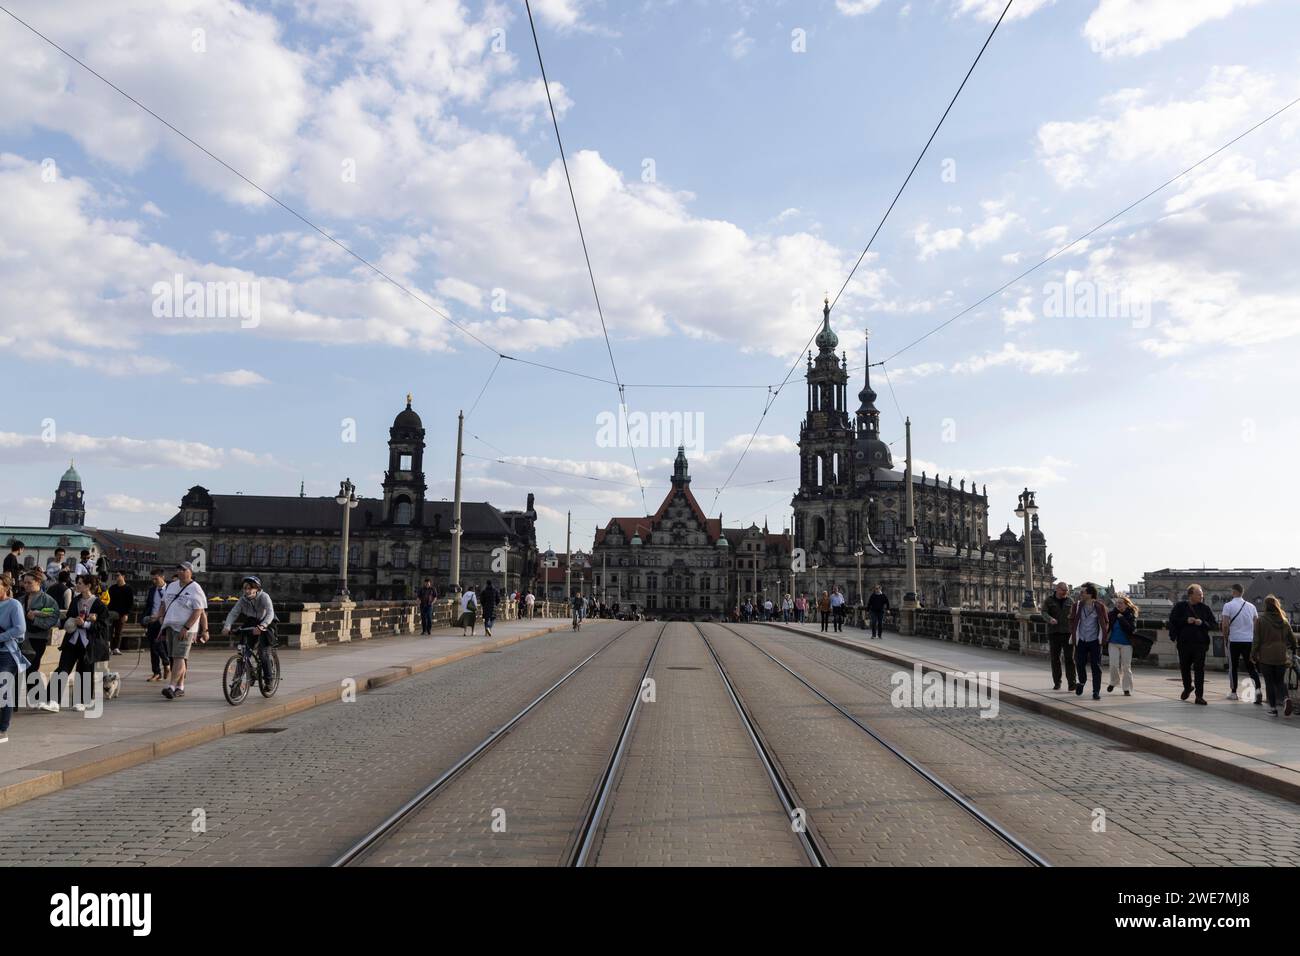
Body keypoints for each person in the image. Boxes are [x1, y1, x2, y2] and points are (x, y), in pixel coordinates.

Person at [51, 575, 109, 712]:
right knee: (62, 669)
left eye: (80, 583)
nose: (77, 585)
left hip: (88, 643)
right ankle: (53, 700)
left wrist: (86, 624)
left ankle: (83, 700)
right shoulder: (76, 601)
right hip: (72, 641)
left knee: (85, 671)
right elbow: (69, 617)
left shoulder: (99, 605)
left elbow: (103, 626)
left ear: (88, 586)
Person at [159, 561, 208, 700]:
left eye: (184, 570)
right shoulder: (172, 586)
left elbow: (199, 610)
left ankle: (172, 686)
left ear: (190, 572)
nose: (180, 571)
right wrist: (160, 615)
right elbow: (164, 602)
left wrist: (187, 627)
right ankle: (180, 687)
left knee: (180, 657)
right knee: (175, 657)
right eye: (179, 569)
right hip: (170, 626)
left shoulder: (195, 589)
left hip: (186, 629)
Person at [1169, 583, 1216, 705]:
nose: (1201, 596)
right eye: (1199, 594)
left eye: (1202, 594)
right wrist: (1185, 620)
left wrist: (1202, 623)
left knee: (1199, 669)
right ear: (1190, 595)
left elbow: (1213, 624)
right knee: (1184, 667)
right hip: (1184, 643)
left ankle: (1199, 696)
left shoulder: (1205, 608)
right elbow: (1173, 621)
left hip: (1200, 643)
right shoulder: (1180, 607)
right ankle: (1187, 687)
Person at [222, 576, 276, 682]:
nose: (247, 591)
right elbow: (233, 613)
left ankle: (269, 680)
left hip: (266, 623)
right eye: (245, 588)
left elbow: (270, 613)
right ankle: (239, 679)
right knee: (244, 651)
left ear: (257, 589)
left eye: (250, 588)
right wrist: (227, 626)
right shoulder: (243, 600)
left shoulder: (264, 597)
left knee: (263, 653)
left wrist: (263, 626)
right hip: (251, 622)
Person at [1251, 595, 1296, 717]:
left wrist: (1253, 654)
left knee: (1269, 682)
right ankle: (1286, 699)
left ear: (1266, 606)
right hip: (1281, 655)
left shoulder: (1261, 620)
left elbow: (1256, 640)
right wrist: (1293, 649)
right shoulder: (1284, 620)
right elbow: (1292, 639)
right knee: (1280, 681)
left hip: (1266, 656)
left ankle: (1273, 708)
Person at [20, 571, 58, 698]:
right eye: (24, 582)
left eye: (29, 582)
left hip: (38, 638)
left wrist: (35, 618)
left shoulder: (47, 600)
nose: (26, 585)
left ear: (38, 582)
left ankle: (38, 696)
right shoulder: (21, 598)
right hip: (22, 638)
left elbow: (53, 617)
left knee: (32, 667)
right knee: (25, 668)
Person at [1221, 584, 1261, 704]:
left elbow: (1225, 624)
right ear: (1242, 592)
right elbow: (1256, 625)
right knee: (1251, 667)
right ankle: (1258, 690)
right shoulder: (1252, 606)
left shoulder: (1228, 606)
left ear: (1233, 592)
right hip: (1249, 640)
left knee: (1233, 667)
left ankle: (1234, 692)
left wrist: (1226, 637)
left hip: (1234, 640)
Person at [0, 578, 27, 743]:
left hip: (7, 653)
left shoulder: (13, 605)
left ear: (5, 587)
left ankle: (2, 729)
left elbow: (20, 628)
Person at [1070, 583, 1107, 700]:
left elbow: (1105, 622)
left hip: (1094, 640)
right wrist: (1073, 631)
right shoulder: (1077, 606)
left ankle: (1096, 691)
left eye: (1083, 592)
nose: (1081, 594)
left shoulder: (1100, 606)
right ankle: (1081, 682)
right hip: (1081, 639)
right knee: (1079, 663)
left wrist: (1103, 636)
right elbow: (1071, 619)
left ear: (1090, 594)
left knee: (1096, 666)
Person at [1041, 582, 1078, 691]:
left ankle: (1072, 683)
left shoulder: (1070, 601)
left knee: (1070, 659)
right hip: (1054, 633)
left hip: (1067, 633)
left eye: (1067, 591)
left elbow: (1075, 615)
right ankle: (1057, 682)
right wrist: (1049, 619)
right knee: (1055, 659)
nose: (1065, 593)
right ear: (1057, 589)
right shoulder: (1049, 600)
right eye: (1063, 590)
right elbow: (1043, 612)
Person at [1106, 594, 1139, 696]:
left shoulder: (1130, 615)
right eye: (1117, 603)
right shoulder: (1112, 614)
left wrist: (1121, 618)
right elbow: (1106, 625)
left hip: (1126, 644)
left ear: (1126, 605)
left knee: (1126, 667)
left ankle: (1126, 688)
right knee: (1113, 665)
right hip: (1113, 643)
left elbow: (1131, 629)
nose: (1118, 605)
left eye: (1120, 603)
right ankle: (1114, 682)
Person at [142, 569, 170, 682]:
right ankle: (156, 672)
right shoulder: (152, 590)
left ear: (162, 577)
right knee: (153, 647)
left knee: (162, 645)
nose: (154, 581)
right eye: (152, 579)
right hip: (153, 621)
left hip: (166, 622)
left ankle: (166, 663)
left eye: (156, 579)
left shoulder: (170, 589)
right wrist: (143, 619)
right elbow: (148, 605)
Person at [106, 571, 134, 656]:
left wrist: (126, 614)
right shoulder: (112, 588)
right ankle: (109, 647)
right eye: (116, 576)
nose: (116, 577)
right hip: (111, 613)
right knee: (109, 631)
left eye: (118, 575)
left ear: (123, 576)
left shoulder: (128, 589)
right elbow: (108, 601)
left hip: (121, 613)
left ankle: (116, 648)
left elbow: (130, 603)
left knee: (118, 631)